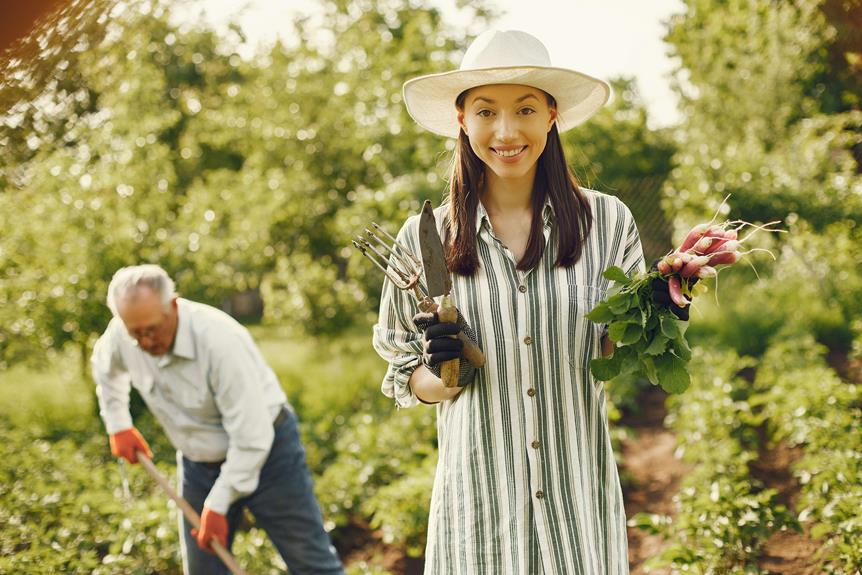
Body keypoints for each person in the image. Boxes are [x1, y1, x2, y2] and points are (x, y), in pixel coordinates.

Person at [372, 30, 685, 574]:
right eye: (487, 111)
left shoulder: (606, 223)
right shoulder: (426, 239)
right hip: (480, 508)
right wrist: (439, 372)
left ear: (552, 116)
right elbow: (407, 377)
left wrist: (661, 310)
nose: (506, 130)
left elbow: (620, 353)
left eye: (524, 109)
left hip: (576, 498)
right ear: (462, 120)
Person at [91, 264, 344, 575]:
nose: (144, 341)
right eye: (135, 333)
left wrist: (219, 503)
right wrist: (118, 424)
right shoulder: (123, 332)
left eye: (152, 330)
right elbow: (105, 366)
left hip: (269, 455)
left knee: (311, 563)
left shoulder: (219, 341)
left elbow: (252, 439)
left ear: (173, 305)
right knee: (204, 569)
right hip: (199, 463)